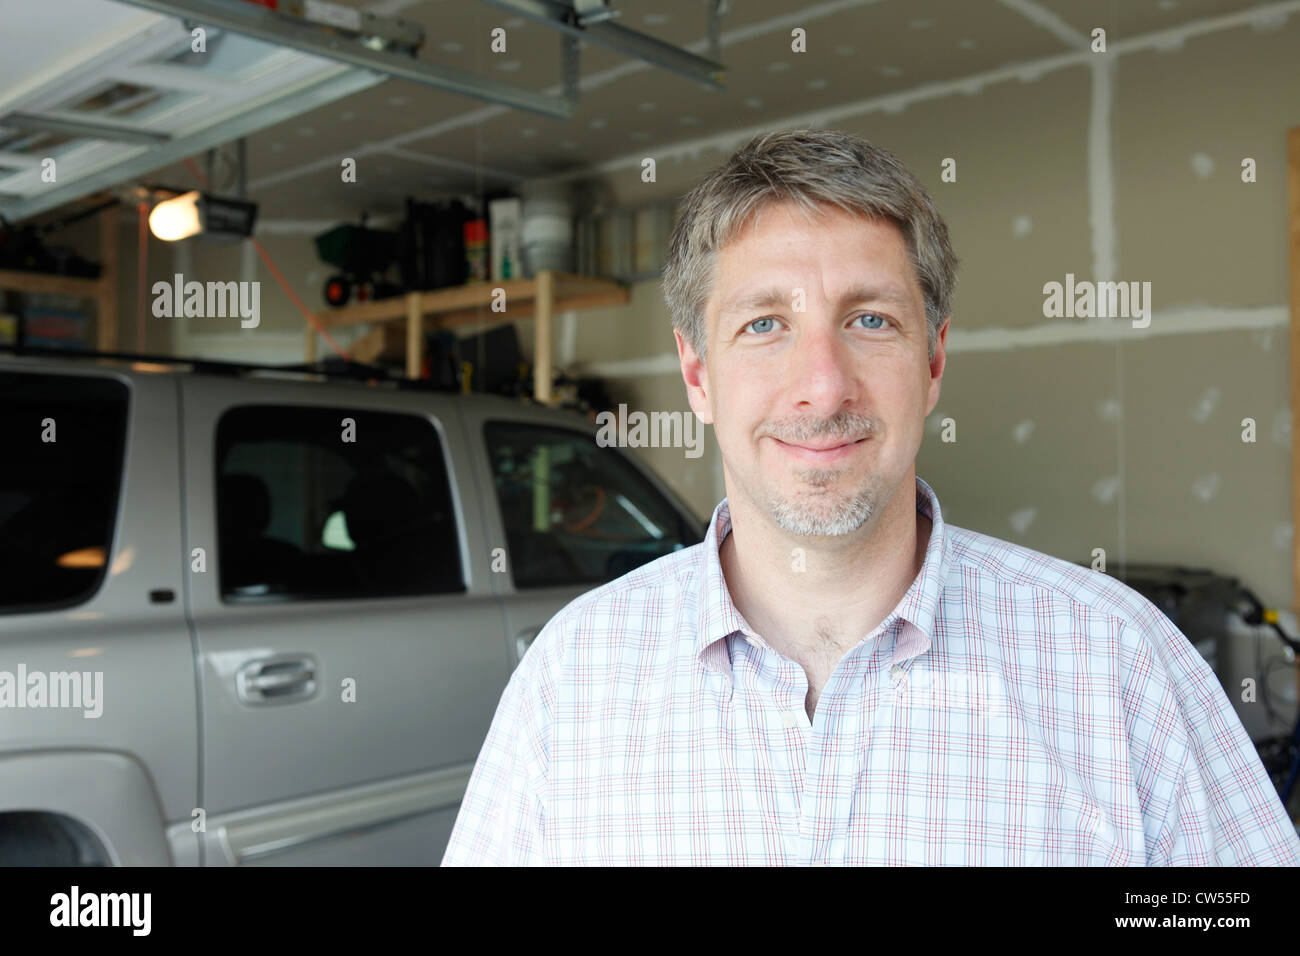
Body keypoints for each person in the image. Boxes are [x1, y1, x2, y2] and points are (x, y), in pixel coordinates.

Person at [442, 127, 1300, 866]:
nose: (822, 387)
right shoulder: (571, 679)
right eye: (764, 324)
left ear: (932, 363)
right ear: (699, 375)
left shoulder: (1121, 663)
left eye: (871, 320)